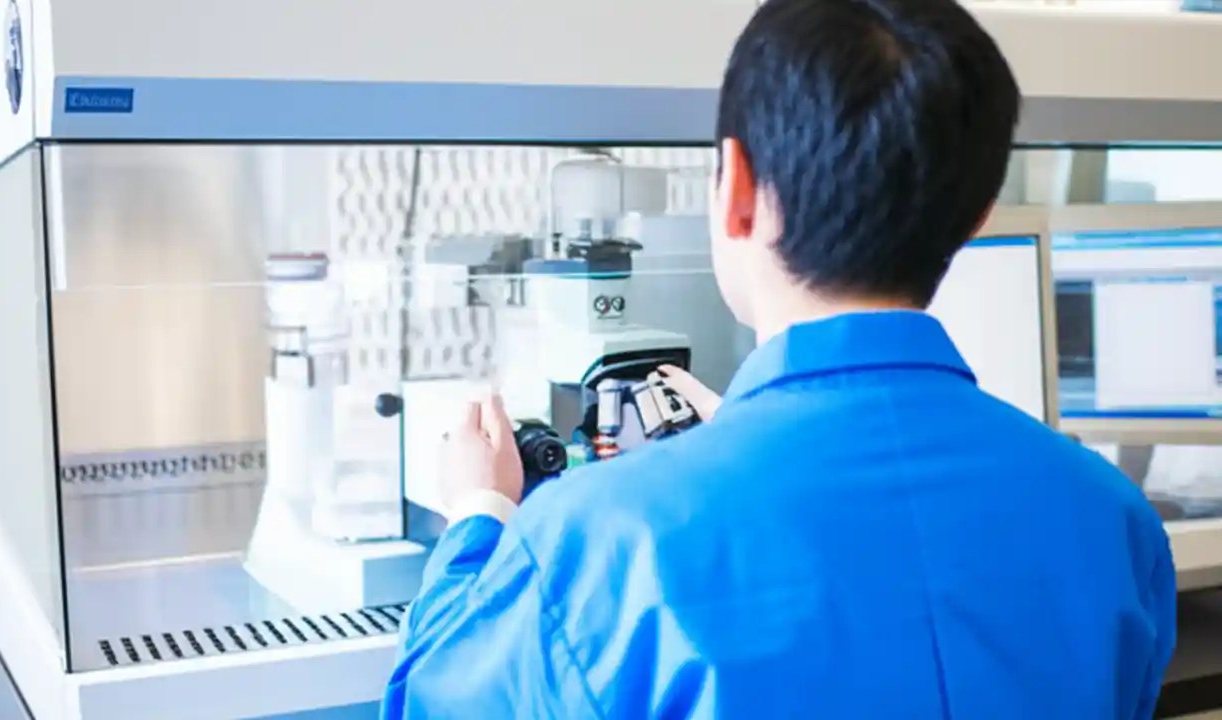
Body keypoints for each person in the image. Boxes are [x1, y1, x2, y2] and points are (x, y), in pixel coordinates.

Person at [383, 0, 1176, 717]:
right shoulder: (1113, 521)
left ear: (735, 186)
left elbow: (436, 699)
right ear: (975, 219)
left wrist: (479, 514)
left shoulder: (599, 544)